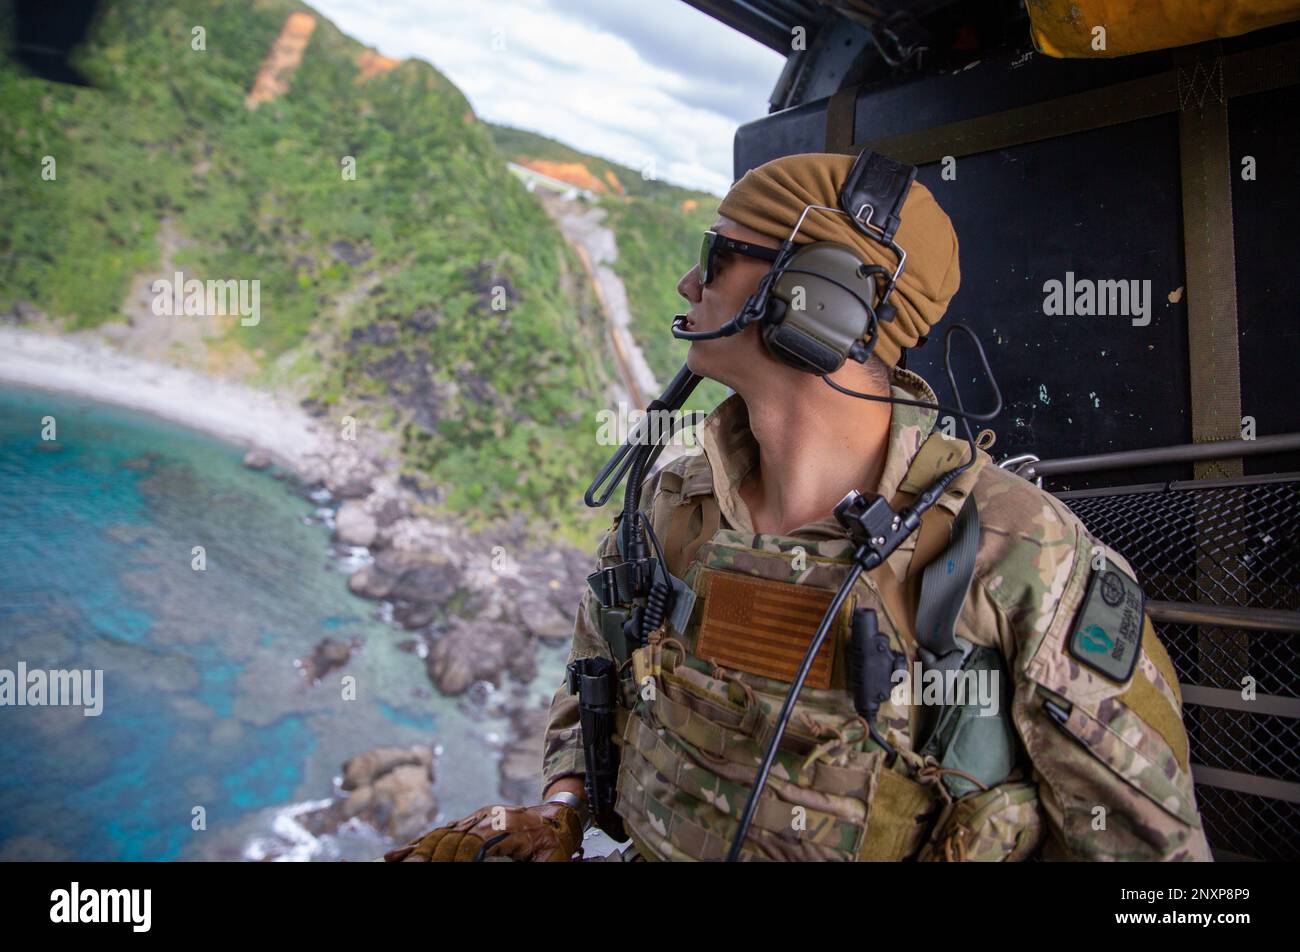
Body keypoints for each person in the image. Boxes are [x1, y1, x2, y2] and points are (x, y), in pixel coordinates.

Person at [385, 152, 1212, 863]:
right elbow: (592, 678)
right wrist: (561, 810)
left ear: (817, 294)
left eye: (716, 256)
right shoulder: (673, 501)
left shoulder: (1024, 556)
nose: (687, 281)